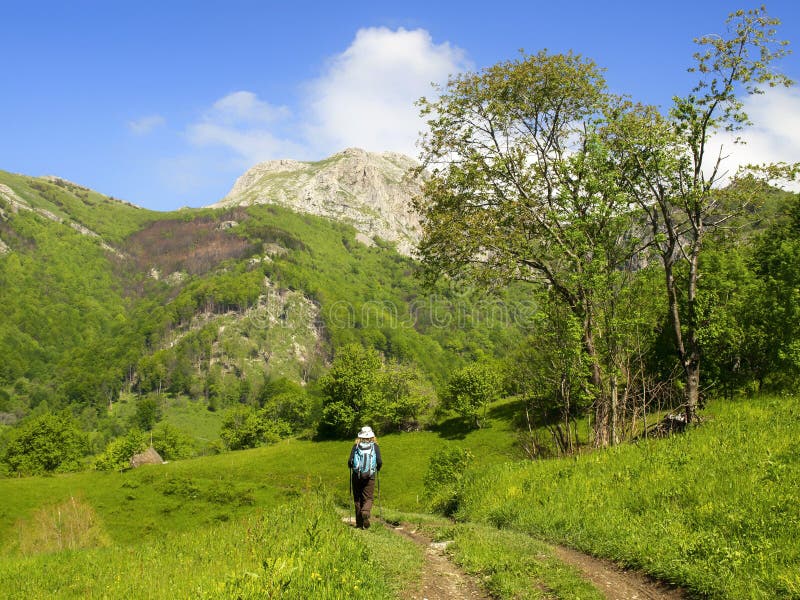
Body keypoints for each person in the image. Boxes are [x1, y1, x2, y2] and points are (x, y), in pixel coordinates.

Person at [347, 425, 382, 529]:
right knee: (368, 497)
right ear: (372, 436)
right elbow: (379, 461)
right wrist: (378, 468)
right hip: (370, 476)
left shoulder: (356, 446)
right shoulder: (375, 446)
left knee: (357, 498)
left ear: (360, 435)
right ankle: (365, 512)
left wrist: (351, 467)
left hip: (356, 475)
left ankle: (359, 524)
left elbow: (350, 461)